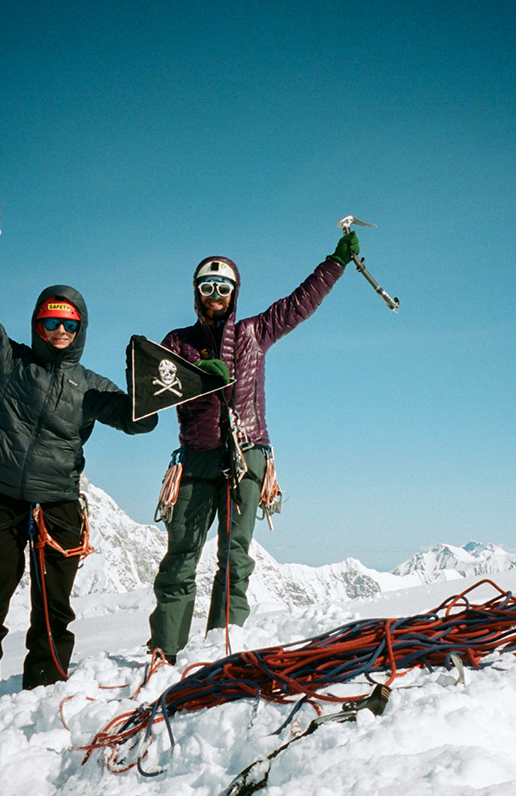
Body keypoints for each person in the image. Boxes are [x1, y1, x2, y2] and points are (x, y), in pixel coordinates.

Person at [0, 211, 157, 706]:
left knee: (52, 612)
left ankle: (43, 696)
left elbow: (139, 421)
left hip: (58, 506)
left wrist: (164, 384)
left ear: (79, 328)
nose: (59, 329)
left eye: (68, 323)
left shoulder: (91, 388)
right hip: (1, 500)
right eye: (50, 321)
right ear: (37, 325)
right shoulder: (9, 360)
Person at [147, 231, 360, 662]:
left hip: (247, 455)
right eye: (207, 287)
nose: (215, 295)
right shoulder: (177, 342)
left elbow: (301, 302)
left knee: (234, 555)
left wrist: (335, 262)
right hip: (195, 458)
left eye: (223, 287)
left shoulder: (254, 332)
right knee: (181, 556)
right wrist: (195, 376)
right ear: (196, 293)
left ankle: (220, 647)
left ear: (234, 292)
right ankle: (165, 650)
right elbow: (153, 387)